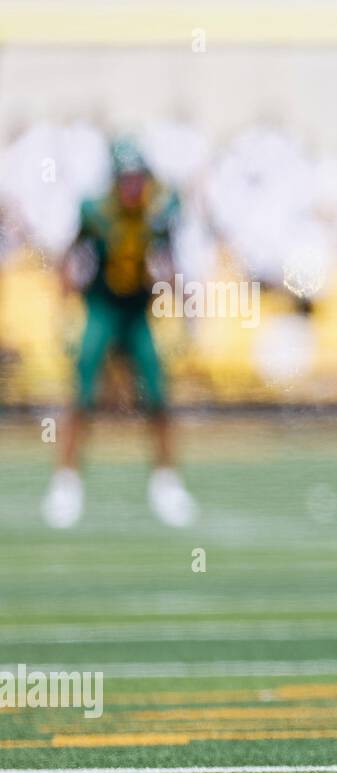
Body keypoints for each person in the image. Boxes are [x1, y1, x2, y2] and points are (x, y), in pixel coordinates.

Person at [41, 139, 197, 529]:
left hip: (137, 309)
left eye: (138, 179)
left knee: (158, 393)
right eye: (126, 180)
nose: (133, 188)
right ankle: (66, 483)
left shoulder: (159, 211)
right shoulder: (95, 212)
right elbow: (69, 256)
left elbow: (170, 259)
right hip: (103, 306)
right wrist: (63, 309)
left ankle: (166, 483)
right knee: (83, 392)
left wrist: (184, 308)